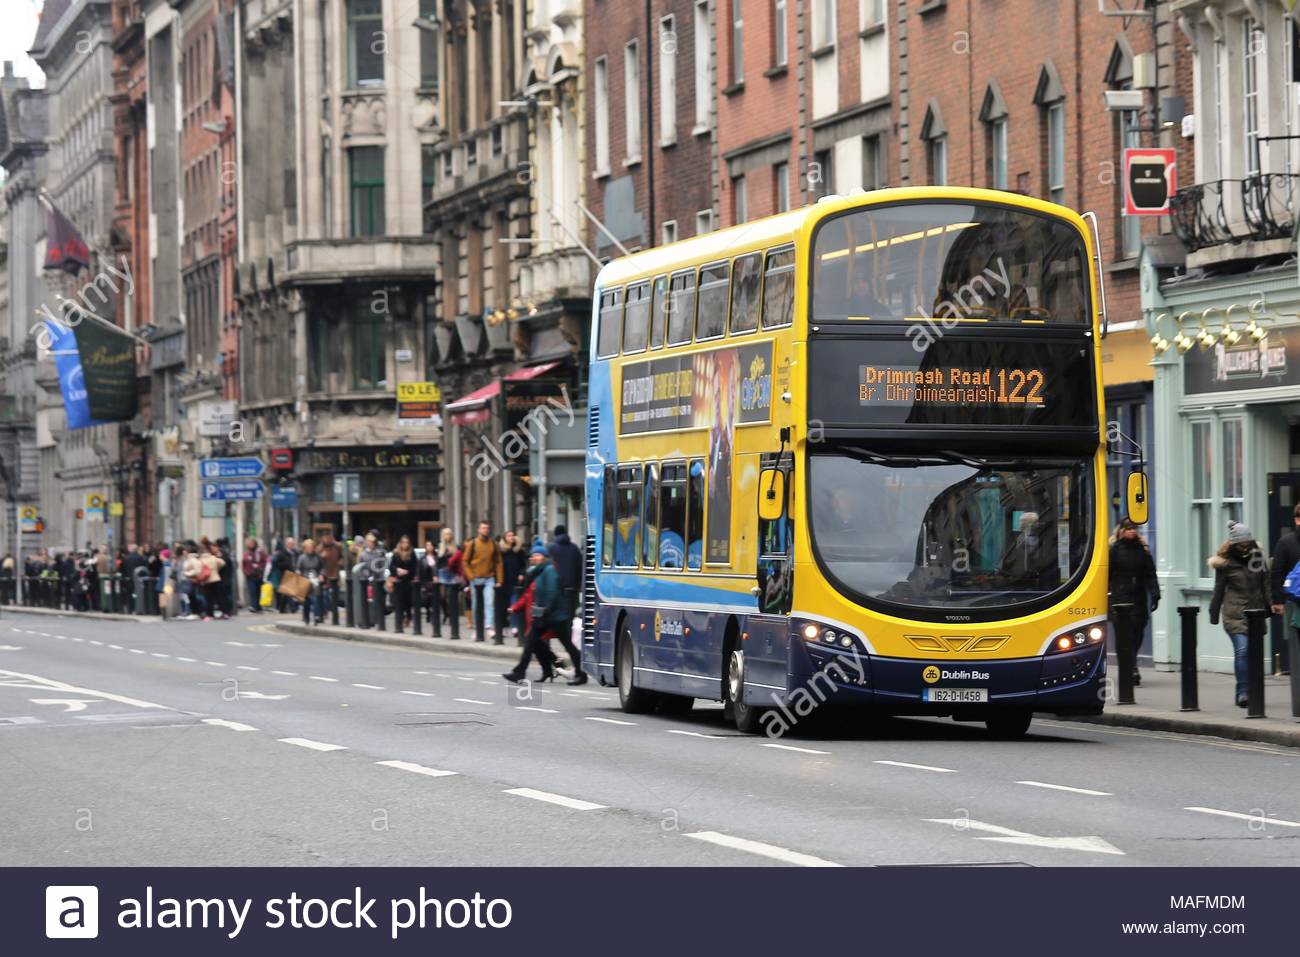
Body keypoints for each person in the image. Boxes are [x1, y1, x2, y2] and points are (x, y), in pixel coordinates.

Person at [1208, 521, 1270, 708]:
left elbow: (1265, 584)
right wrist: (1213, 614)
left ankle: (1250, 690)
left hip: (1255, 613)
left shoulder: (1257, 558)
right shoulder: (1226, 564)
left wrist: (1272, 605)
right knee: (1242, 650)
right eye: (1241, 544)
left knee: (1254, 654)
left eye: (1247, 543)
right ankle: (1243, 692)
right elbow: (1218, 590)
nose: (1245, 547)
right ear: (1234, 544)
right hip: (1234, 613)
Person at [501, 541, 569, 684]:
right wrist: (515, 607)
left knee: (533, 644)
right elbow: (526, 595)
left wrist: (546, 609)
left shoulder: (547, 571)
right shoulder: (535, 572)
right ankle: (549, 668)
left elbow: (551, 592)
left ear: (544, 557)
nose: (534, 557)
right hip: (536, 615)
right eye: (533, 555)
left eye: (538, 555)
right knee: (536, 645)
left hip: (546, 616)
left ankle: (555, 665)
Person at [1108, 518, 1160, 688]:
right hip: (1119, 597)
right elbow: (1106, 575)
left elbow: (1150, 574)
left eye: (1134, 528)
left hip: (1138, 597)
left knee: (1137, 632)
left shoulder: (1142, 551)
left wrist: (1155, 593)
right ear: (1121, 530)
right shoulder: (1114, 550)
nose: (1132, 531)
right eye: (1128, 528)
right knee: (1124, 634)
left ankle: (1131, 663)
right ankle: (1130, 668)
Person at [546, 524, 587, 685]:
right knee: (567, 630)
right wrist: (578, 586)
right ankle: (561, 667)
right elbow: (580, 569)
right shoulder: (575, 548)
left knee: (549, 633)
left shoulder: (552, 549)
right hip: (572, 593)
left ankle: (556, 667)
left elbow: (550, 572)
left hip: (557, 594)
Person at [462, 521, 503, 643]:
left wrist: (499, 580)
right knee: (476, 605)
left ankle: (488, 626)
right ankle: (477, 628)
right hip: (476, 578)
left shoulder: (493, 544)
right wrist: (471, 577)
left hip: (489, 578)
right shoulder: (472, 544)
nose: (485, 530)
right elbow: (465, 561)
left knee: (489, 602)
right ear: (479, 530)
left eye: (487, 528)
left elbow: (499, 562)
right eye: (483, 528)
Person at [433, 528, 462, 639]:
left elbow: (459, 561)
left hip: (453, 573)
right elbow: (437, 563)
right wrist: (435, 575)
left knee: (452, 596)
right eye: (445, 534)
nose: (447, 536)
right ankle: (446, 614)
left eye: (449, 534)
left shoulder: (456, 546)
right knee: (443, 597)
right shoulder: (440, 546)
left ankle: (452, 617)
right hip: (442, 572)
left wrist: (460, 575)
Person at [499, 531, 527, 641]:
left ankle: (515, 627)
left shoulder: (518, 550)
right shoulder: (501, 551)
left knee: (514, 604)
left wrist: (521, 574)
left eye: (512, 535)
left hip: (516, 582)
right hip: (504, 582)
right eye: (509, 536)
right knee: (503, 605)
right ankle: (503, 627)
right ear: (505, 538)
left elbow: (523, 565)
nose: (511, 537)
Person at [388, 535, 418, 633]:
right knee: (399, 602)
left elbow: (415, 566)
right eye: (403, 542)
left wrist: (408, 572)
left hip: (408, 580)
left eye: (407, 542)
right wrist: (397, 570)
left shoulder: (412, 553)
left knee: (408, 601)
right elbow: (391, 566)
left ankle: (408, 617)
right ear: (400, 543)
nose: (405, 544)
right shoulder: (396, 553)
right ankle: (401, 620)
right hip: (398, 581)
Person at [318, 530, 344, 624]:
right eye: (325, 538)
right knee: (321, 596)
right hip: (324, 574)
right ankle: (321, 616)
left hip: (334, 573)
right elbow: (317, 561)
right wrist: (321, 556)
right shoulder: (320, 548)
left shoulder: (337, 546)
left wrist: (340, 562)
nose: (327, 539)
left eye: (329, 537)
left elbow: (343, 556)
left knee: (335, 598)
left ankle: (335, 620)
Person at [296, 538, 324, 625]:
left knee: (316, 599)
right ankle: (306, 617)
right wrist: (299, 575)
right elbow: (298, 569)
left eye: (311, 547)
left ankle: (316, 616)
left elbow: (322, 567)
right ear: (305, 548)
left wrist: (321, 575)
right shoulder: (302, 557)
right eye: (308, 547)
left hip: (315, 579)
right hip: (305, 579)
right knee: (306, 601)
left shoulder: (318, 557)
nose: (310, 549)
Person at [198, 539, 227, 620]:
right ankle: (224, 612)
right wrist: (216, 569)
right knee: (219, 597)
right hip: (216, 579)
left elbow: (197, 570)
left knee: (208, 599)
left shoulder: (200, 560)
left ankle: (210, 615)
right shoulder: (213, 558)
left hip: (206, 580)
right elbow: (222, 563)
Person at [271, 537, 299, 612]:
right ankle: (293, 608)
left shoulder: (295, 553)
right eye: (290, 544)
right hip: (285, 574)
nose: (292, 545)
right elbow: (276, 564)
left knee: (286, 592)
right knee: (289, 592)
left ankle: (282, 608)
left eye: (293, 544)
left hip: (294, 573)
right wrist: (285, 565)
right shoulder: (282, 553)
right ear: (287, 544)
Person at [242, 537, 268, 615]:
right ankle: (253, 606)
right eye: (249, 544)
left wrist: (259, 566)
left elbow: (265, 561)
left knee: (258, 591)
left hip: (258, 575)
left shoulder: (260, 552)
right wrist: (246, 572)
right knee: (252, 591)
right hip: (250, 575)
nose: (250, 545)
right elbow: (243, 564)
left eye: (251, 543)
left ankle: (258, 607)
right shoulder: (246, 553)